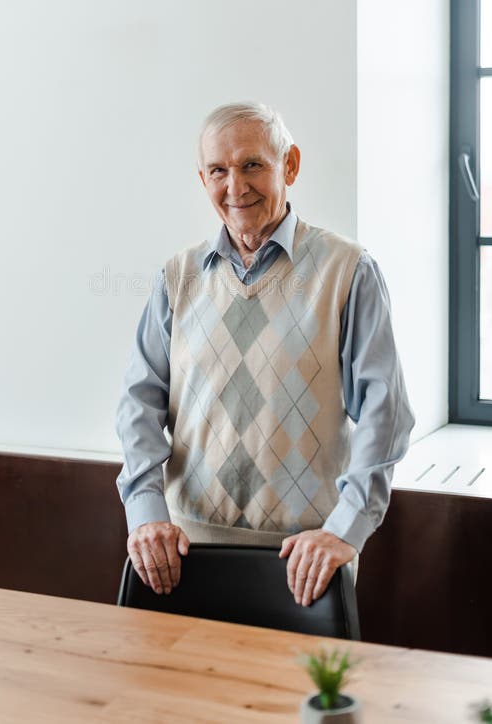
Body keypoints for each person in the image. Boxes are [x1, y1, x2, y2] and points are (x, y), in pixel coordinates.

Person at [115, 101, 414, 607]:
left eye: (252, 164)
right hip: (185, 559)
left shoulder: (348, 271)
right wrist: (146, 514)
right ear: (203, 178)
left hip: (307, 565)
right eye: (218, 170)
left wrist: (344, 531)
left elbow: (386, 416)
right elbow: (138, 406)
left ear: (290, 165)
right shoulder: (178, 276)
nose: (236, 186)